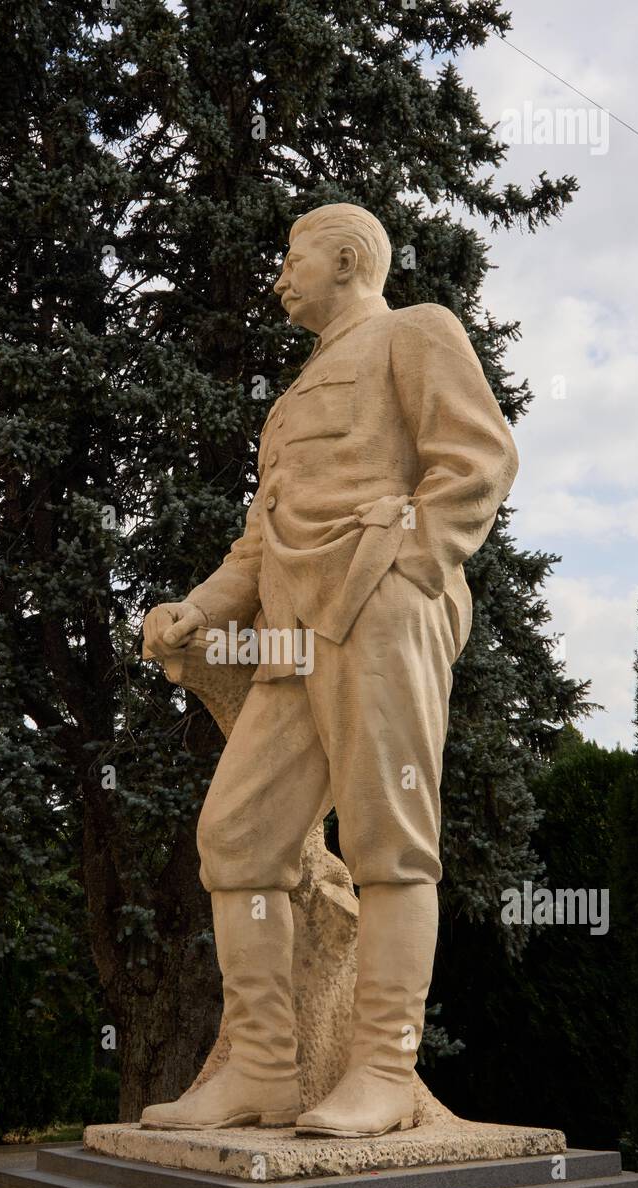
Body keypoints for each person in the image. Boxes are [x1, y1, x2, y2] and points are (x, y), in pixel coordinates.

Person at [141, 203, 518, 1137]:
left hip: (379, 612)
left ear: (348, 259)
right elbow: (258, 542)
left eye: (292, 257)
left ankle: (385, 1073)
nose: (279, 275)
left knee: (389, 843)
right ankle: (266, 1071)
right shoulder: (289, 400)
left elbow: (478, 458)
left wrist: (410, 565)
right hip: (287, 639)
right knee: (236, 838)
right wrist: (199, 609)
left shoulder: (414, 332)